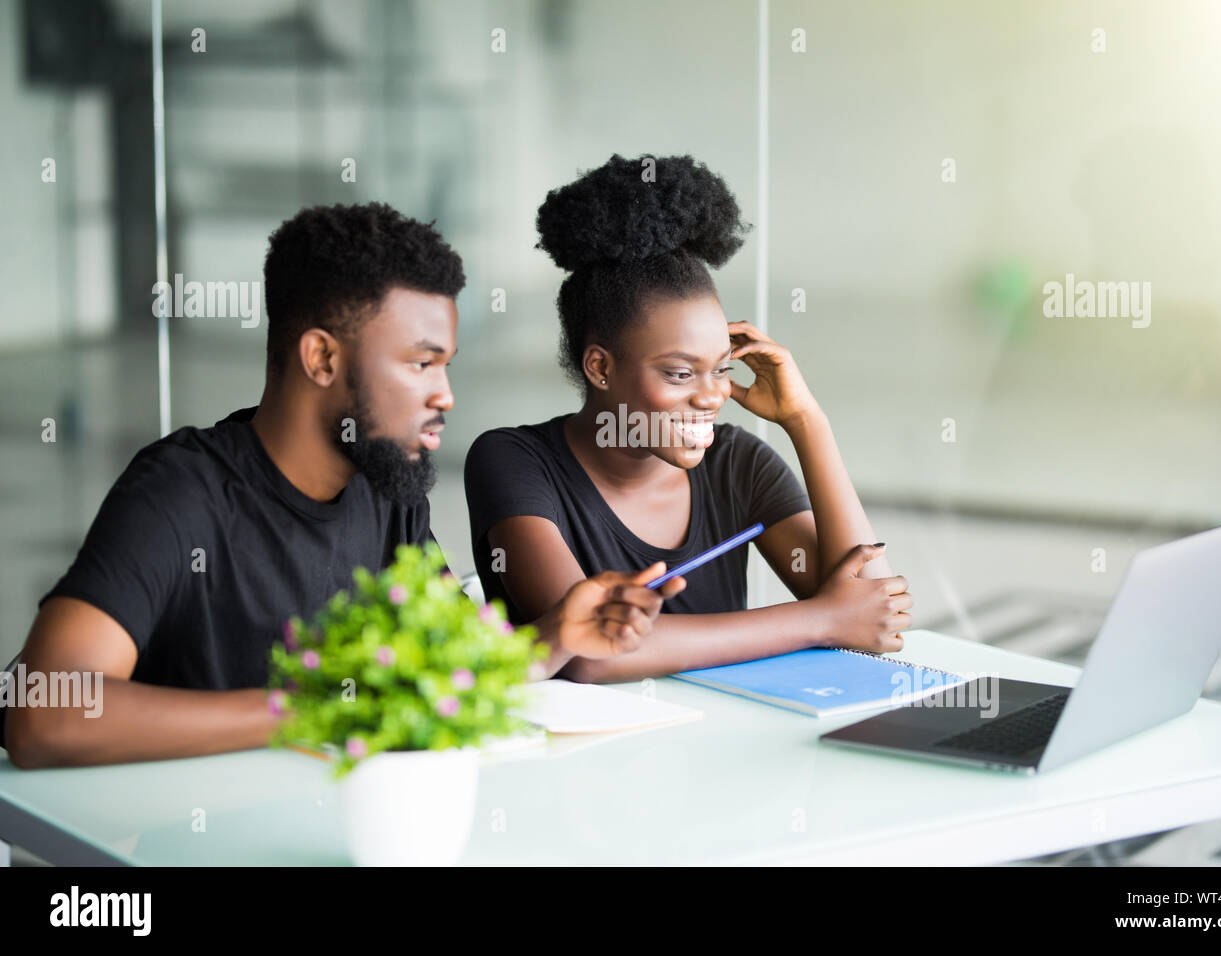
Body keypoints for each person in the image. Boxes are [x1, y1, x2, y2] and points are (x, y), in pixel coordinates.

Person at [3, 202, 682, 769]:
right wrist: (325, 708)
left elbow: (444, 674)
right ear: (322, 357)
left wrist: (558, 634)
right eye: (421, 364)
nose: (445, 395)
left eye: (445, 365)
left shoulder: (389, 493)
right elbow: (43, 713)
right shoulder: (180, 492)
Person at [464, 154, 913, 683]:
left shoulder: (736, 462)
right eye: (680, 373)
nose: (712, 395)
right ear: (600, 367)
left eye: (721, 368)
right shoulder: (514, 462)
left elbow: (876, 614)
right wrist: (821, 619)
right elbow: (588, 649)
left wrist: (806, 421)